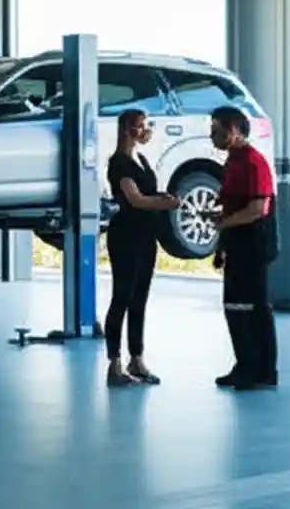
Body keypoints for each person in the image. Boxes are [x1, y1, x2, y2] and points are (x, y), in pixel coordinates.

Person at [104, 108, 180, 387]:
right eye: (138, 126)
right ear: (126, 129)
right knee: (122, 296)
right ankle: (114, 362)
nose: (143, 130)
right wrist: (164, 203)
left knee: (140, 298)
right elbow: (135, 199)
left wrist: (163, 197)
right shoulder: (119, 163)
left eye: (144, 125)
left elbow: (148, 192)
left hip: (146, 235)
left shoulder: (142, 159)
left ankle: (137, 357)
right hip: (126, 235)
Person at [209, 105, 279, 391]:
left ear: (234, 131)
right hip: (237, 244)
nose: (212, 136)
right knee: (236, 307)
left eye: (216, 130)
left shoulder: (253, 163)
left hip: (253, 245)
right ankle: (245, 364)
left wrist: (223, 224)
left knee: (253, 308)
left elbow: (256, 209)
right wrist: (221, 243)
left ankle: (262, 370)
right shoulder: (232, 163)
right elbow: (231, 206)